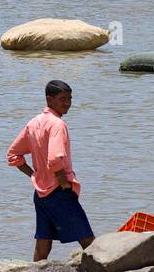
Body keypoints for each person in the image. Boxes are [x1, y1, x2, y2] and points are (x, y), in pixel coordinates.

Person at [6, 81, 95, 260]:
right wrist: (62, 181)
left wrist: (34, 174)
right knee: (88, 240)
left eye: (70, 98)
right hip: (58, 191)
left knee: (43, 243)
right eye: (62, 99)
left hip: (40, 193)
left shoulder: (33, 123)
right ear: (49, 99)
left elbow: (13, 155)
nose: (67, 103)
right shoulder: (57, 124)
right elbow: (54, 159)